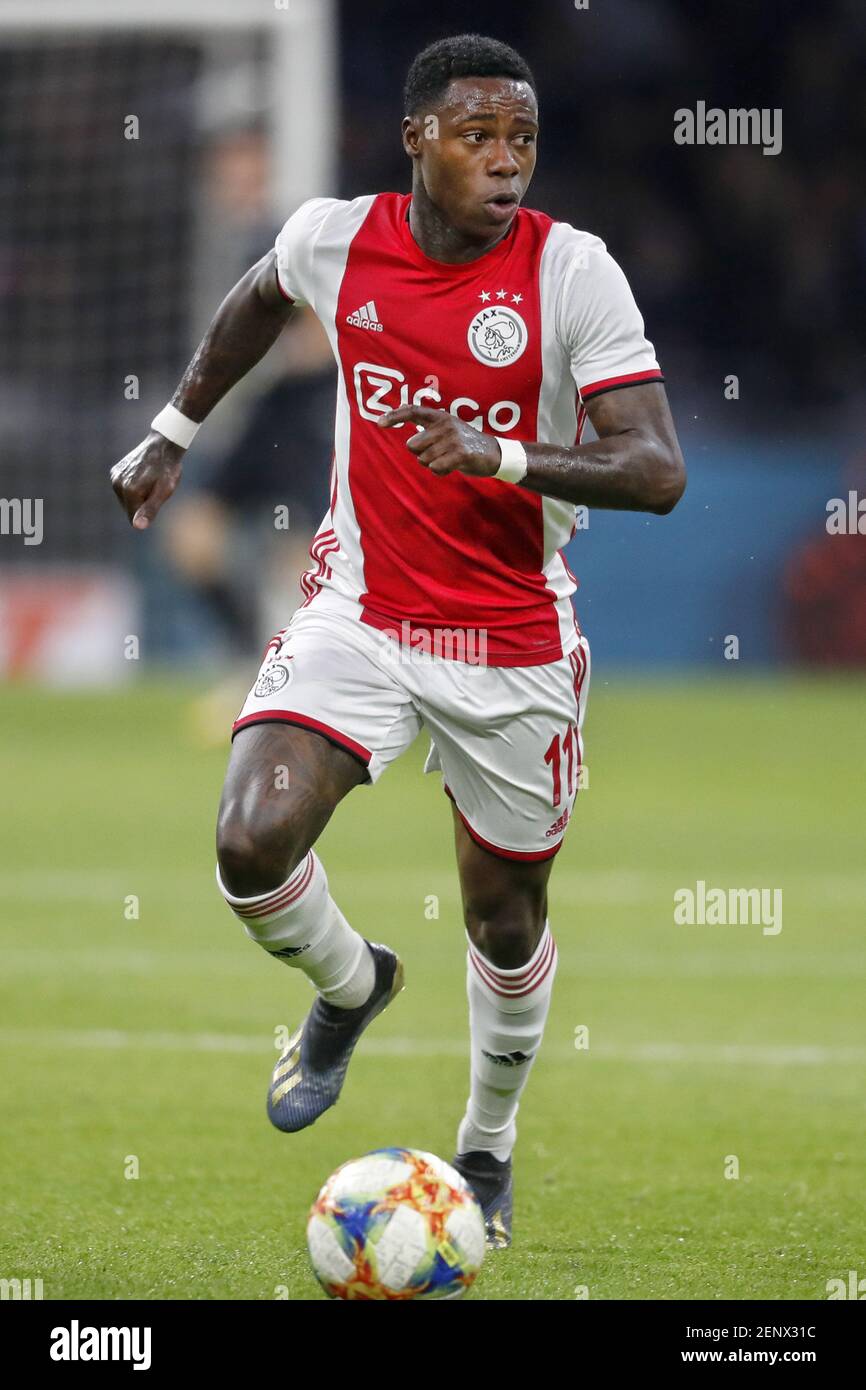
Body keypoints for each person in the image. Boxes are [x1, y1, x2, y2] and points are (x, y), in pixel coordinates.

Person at [110, 33, 686, 1249]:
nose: (504, 162)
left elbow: (657, 468)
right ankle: (351, 983)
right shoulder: (337, 238)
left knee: (504, 923)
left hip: (514, 642)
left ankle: (485, 1146)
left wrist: (508, 456)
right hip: (359, 616)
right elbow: (260, 293)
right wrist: (172, 427)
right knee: (249, 842)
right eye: (476, 137)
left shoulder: (572, 273)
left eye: (521, 139)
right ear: (416, 139)